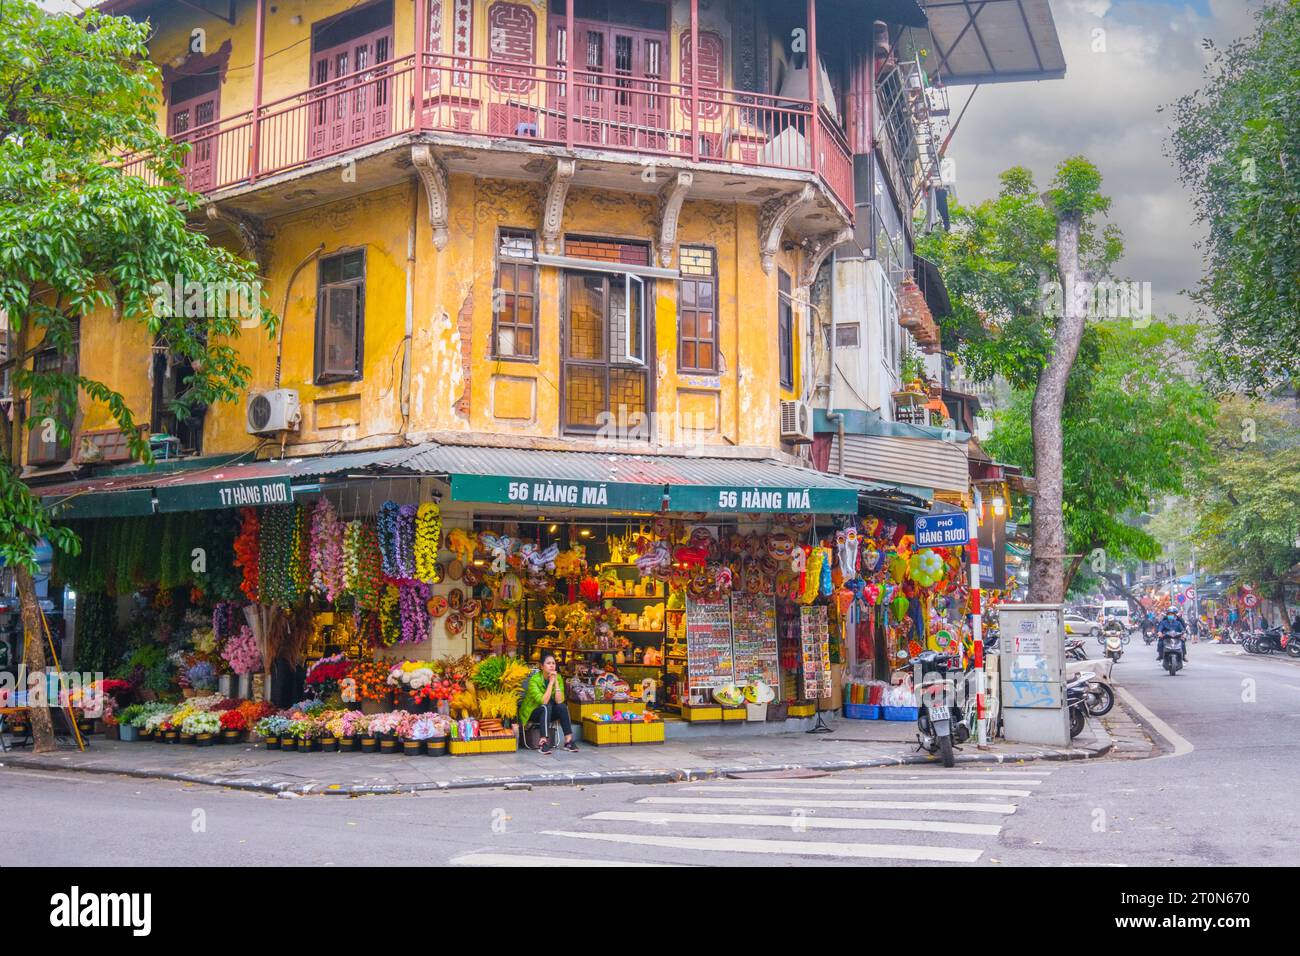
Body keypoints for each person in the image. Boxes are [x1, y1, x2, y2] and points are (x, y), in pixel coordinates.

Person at [518, 653, 578, 754]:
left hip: (548, 712)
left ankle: (568, 741)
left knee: (562, 707)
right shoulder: (534, 680)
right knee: (545, 707)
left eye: (553, 663)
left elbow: (559, 701)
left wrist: (556, 682)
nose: (551, 665)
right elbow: (543, 702)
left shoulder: (558, 677)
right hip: (533, 713)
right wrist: (550, 683)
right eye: (548, 663)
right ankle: (543, 742)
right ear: (542, 666)